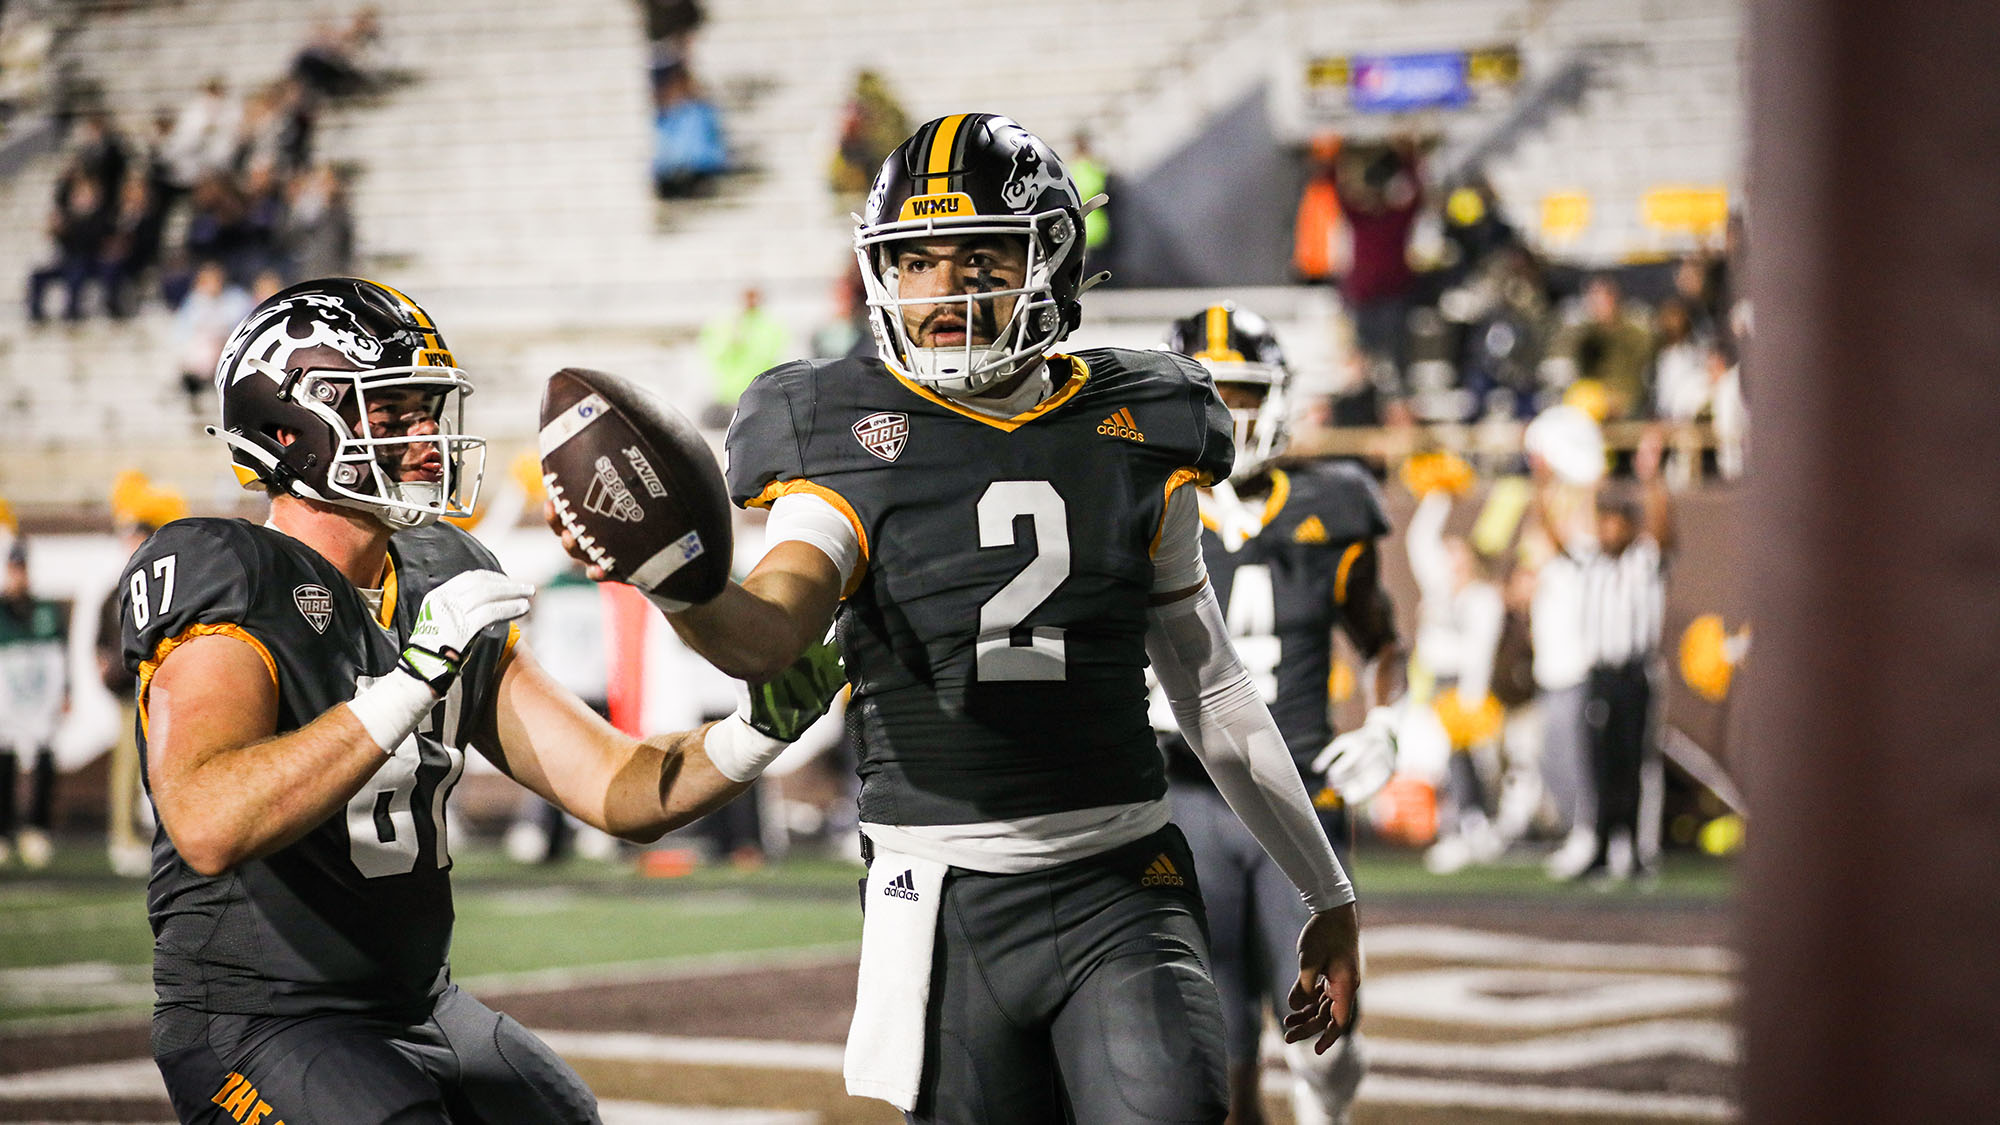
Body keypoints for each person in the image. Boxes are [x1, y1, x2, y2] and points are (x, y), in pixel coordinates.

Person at [559, 114, 1361, 1122]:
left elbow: (1210, 688)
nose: (942, 293)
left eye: (979, 257)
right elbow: (768, 634)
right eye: (915, 262)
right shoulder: (836, 429)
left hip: (1122, 874)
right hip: (939, 899)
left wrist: (1325, 893)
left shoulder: (1141, 421)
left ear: (1051, 258)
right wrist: (671, 578)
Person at [124, 277, 838, 1125]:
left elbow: (613, 786)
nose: (428, 439)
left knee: (563, 1116)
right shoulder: (235, 575)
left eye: (429, 409)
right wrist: (408, 683)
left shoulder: (441, 573)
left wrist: (751, 736)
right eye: (391, 415)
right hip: (257, 1019)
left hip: (418, 1005)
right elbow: (207, 819)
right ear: (291, 433)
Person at [1157, 304, 1406, 1125]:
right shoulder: (1141, 507)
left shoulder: (1331, 506)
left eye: (1247, 392)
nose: (1232, 413)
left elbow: (1380, 640)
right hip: (1183, 795)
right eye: (1213, 392)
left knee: (1325, 1034)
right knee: (1214, 1050)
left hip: (1300, 795)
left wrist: (1387, 722)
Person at [1538, 428, 1673, 881]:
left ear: (1631, 526)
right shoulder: (1588, 561)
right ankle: (1599, 847)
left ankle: (1632, 851)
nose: (1608, 529)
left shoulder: (1644, 562)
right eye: (1604, 521)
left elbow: (1664, 531)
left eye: (1617, 522)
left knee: (1633, 762)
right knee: (1598, 762)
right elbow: (1554, 538)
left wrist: (1652, 479)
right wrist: (1544, 486)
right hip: (1599, 675)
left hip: (1634, 673)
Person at [0, 538, 68, 870]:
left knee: (42, 760)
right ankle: (3, 831)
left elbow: (60, 653)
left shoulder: (45, 609)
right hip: (7, 699)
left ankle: (35, 830)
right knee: (4, 761)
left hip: (39, 697)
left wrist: (65, 691)